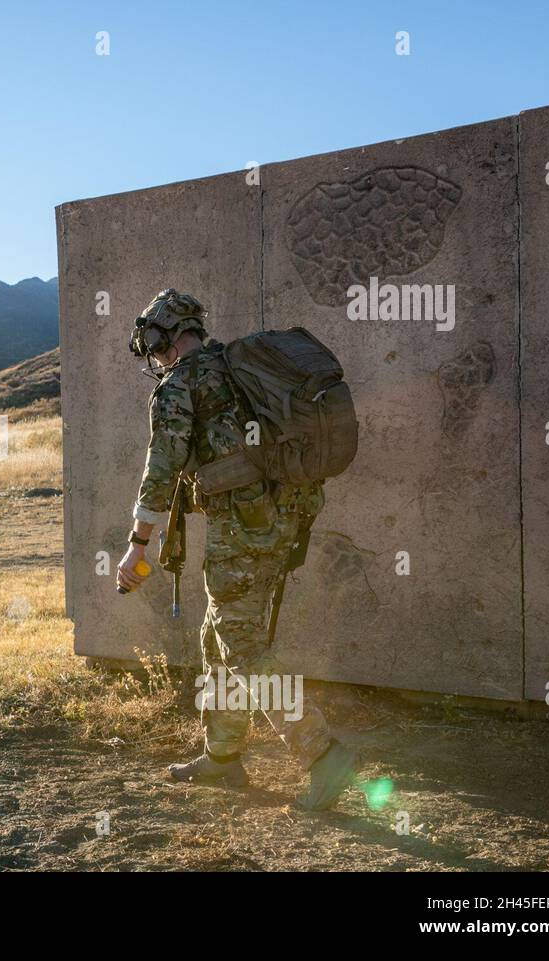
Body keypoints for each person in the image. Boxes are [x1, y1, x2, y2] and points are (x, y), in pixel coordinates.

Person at [116, 287, 359, 810]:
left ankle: (322, 755)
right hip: (286, 519)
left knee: (243, 647)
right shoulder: (238, 369)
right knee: (218, 639)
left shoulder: (183, 382)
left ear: (162, 339)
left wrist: (138, 545)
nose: (156, 359)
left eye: (154, 348)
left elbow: (161, 470)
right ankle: (222, 757)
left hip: (243, 530)